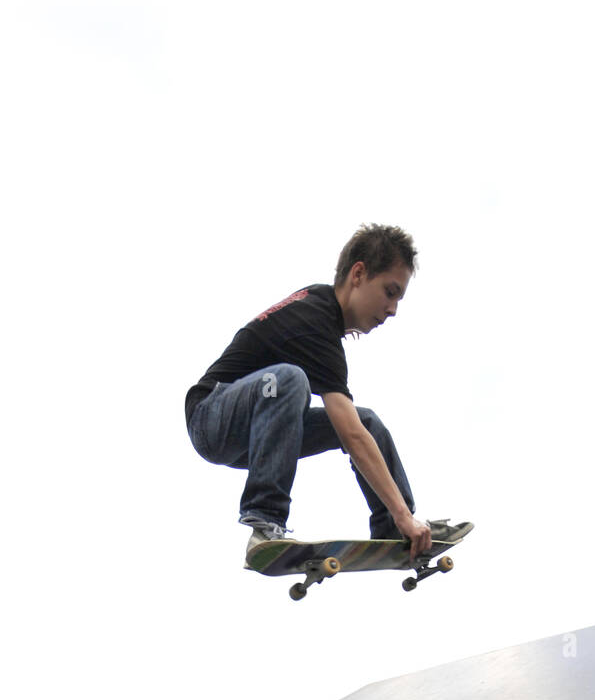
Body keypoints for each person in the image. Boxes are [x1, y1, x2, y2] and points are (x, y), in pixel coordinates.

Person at [184, 223, 461, 566]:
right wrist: (406, 513)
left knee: (366, 421)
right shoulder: (314, 320)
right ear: (358, 273)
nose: (392, 310)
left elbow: (358, 429)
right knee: (293, 381)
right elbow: (351, 436)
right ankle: (265, 520)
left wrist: (403, 516)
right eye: (390, 292)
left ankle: (394, 529)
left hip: (258, 429)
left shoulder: (323, 315)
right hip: (212, 416)